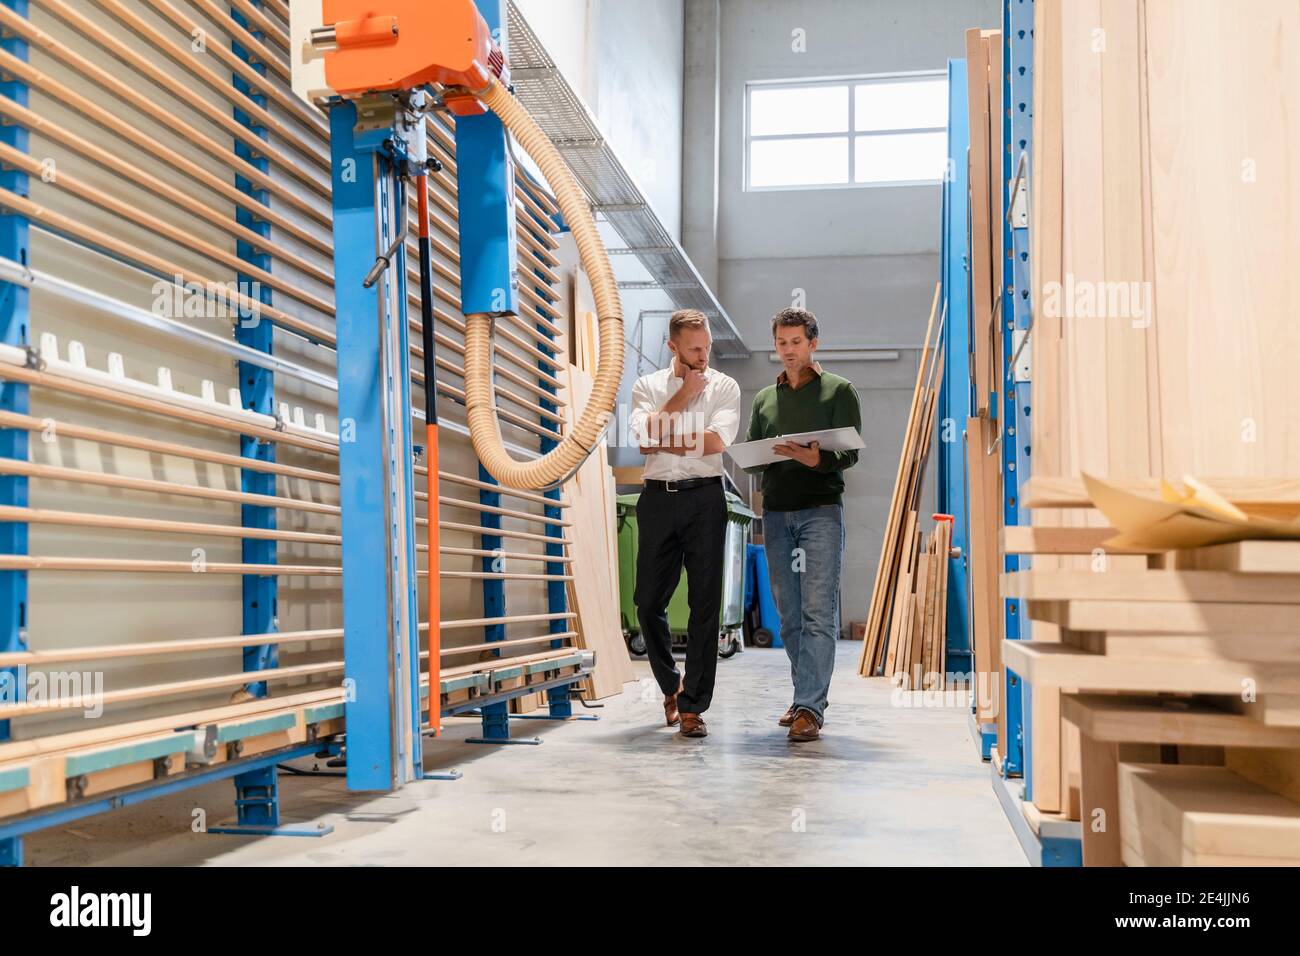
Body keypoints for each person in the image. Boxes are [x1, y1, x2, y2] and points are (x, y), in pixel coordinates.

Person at [744, 307, 860, 742]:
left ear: (813, 343)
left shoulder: (838, 391)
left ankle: (811, 706)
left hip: (820, 513)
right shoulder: (764, 399)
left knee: (817, 612)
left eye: (796, 342)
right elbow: (757, 450)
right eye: (781, 343)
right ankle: (803, 697)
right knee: (790, 616)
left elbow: (851, 451)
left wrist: (819, 459)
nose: (788, 351)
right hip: (776, 514)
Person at [627, 309, 741, 738]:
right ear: (673, 346)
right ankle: (670, 684)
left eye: (707, 346)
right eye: (695, 348)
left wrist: (663, 437)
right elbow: (641, 438)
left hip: (706, 499)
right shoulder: (647, 387)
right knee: (646, 602)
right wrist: (680, 397)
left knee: (705, 605)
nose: (704, 355)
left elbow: (715, 443)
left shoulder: (725, 386)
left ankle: (693, 707)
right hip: (657, 500)